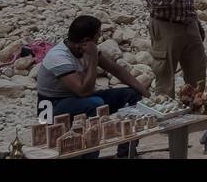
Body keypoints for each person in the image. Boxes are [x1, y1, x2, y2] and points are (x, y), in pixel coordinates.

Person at [37, 14, 147, 157]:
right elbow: (84, 91)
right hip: (51, 106)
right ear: (86, 41)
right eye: (97, 37)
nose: (99, 39)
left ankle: (126, 153)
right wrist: (93, 59)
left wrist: (145, 93)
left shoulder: (84, 49)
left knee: (132, 95)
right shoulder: (58, 57)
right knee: (96, 104)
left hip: (76, 98)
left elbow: (117, 70)